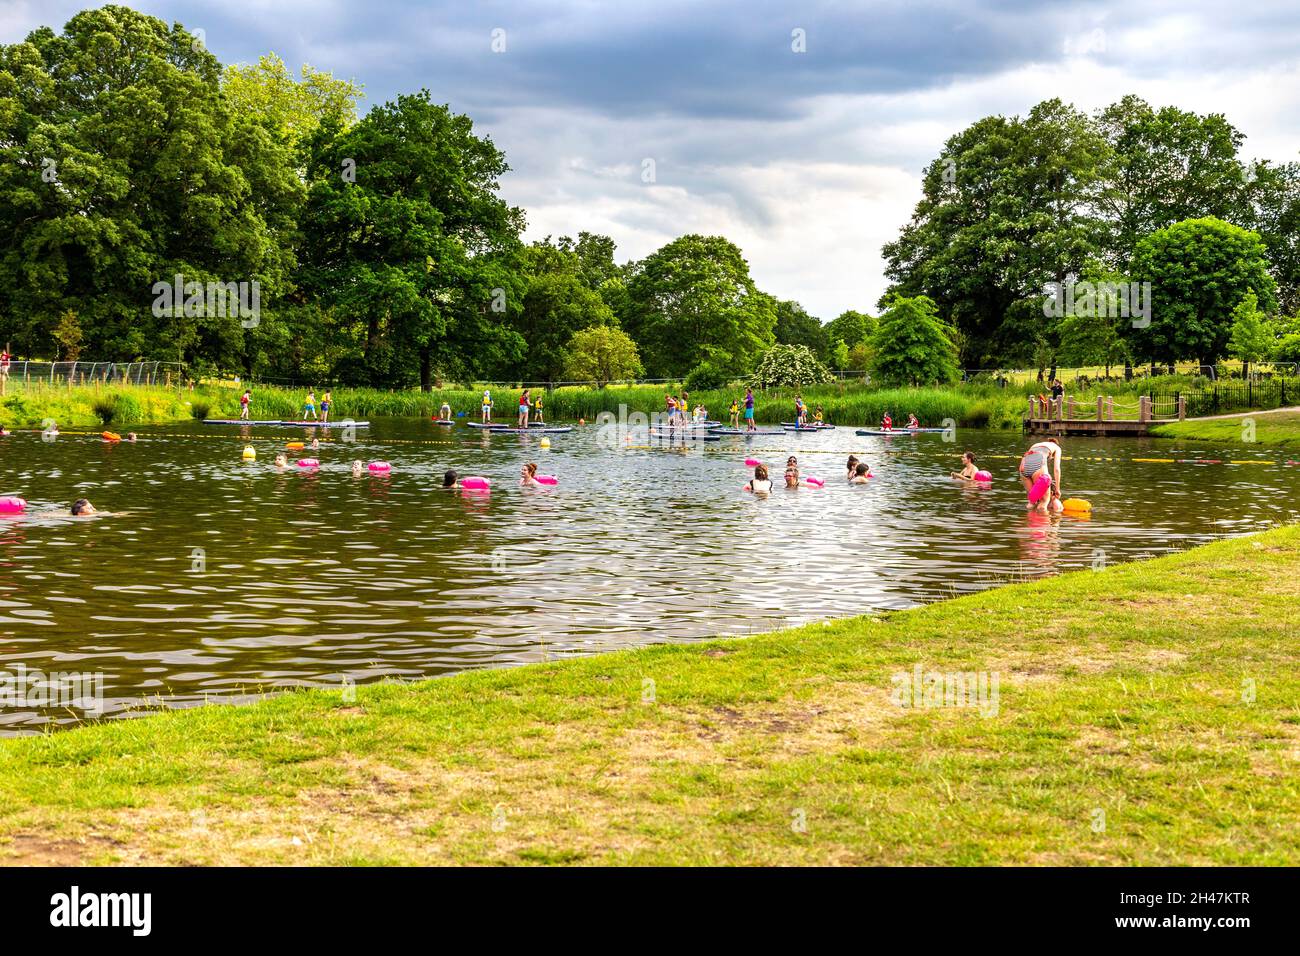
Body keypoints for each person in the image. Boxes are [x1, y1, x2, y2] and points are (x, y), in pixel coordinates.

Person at [1019, 439, 1063, 514]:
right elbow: (1057, 469)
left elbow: (1027, 457)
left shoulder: (1035, 445)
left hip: (1023, 468)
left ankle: (1028, 519)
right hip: (1038, 467)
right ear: (1055, 443)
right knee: (1044, 502)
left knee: (1033, 501)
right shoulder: (1057, 448)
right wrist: (1058, 489)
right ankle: (1042, 525)